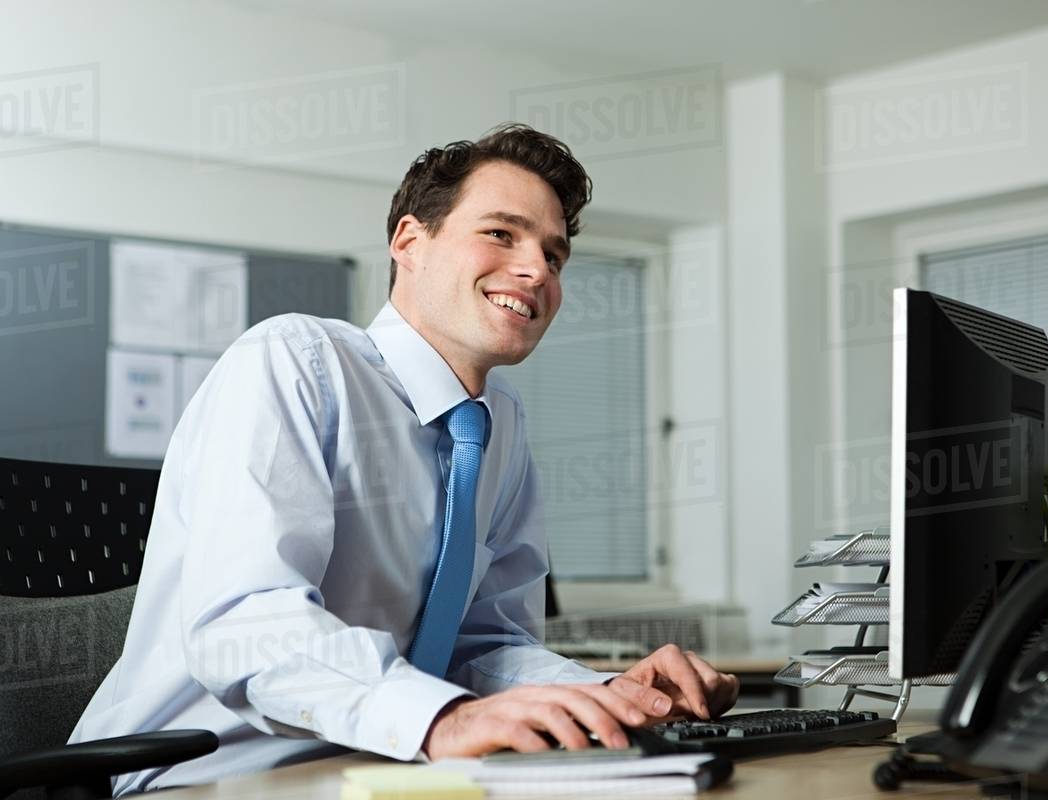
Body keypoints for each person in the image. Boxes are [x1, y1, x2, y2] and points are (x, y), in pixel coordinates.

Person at [70, 124, 739, 795]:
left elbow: (482, 646)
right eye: (502, 234)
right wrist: (441, 719)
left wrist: (604, 693)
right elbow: (249, 622)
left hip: (374, 767)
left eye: (555, 256)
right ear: (410, 244)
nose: (537, 269)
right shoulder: (294, 361)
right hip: (197, 774)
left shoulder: (499, 427)